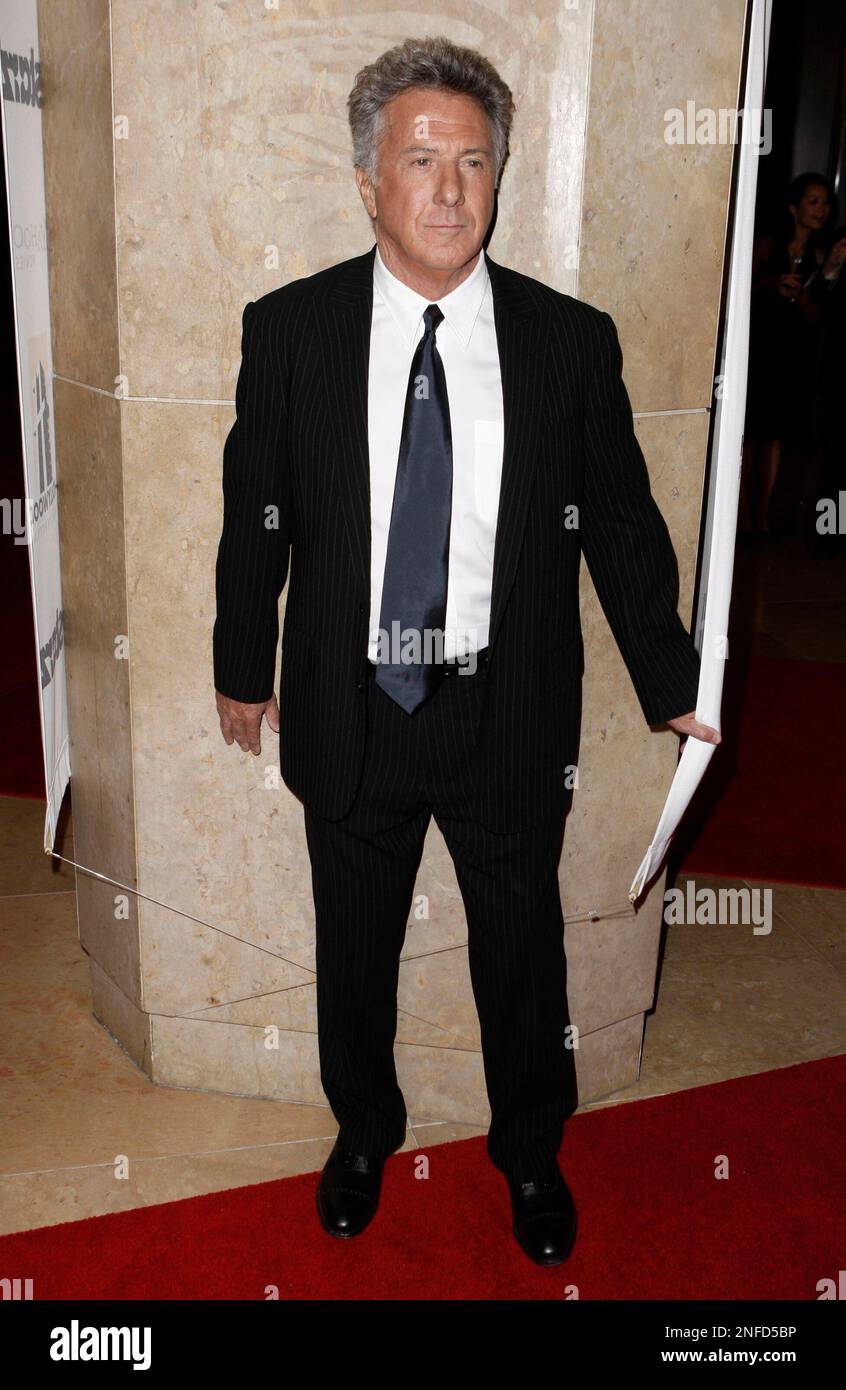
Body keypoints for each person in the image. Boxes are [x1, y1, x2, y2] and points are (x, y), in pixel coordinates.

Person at [212, 36, 720, 1268]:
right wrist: (241, 664)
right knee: (356, 943)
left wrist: (671, 683)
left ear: (499, 178)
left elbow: (622, 523)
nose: (449, 187)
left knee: (520, 950)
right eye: (421, 158)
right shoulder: (291, 331)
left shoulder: (566, 340)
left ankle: (531, 1150)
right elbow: (254, 510)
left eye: (473, 161)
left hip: (504, 711)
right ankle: (362, 1128)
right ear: (368, 181)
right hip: (348, 702)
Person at [740, 172, 839, 535]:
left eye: (826, 202)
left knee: (776, 435)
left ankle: (762, 516)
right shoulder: (767, 245)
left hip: (792, 354)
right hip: (760, 349)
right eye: (813, 202)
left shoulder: (819, 255)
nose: (822, 210)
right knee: (749, 433)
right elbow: (739, 289)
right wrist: (772, 284)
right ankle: (742, 517)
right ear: (793, 207)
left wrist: (813, 285)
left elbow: (819, 315)